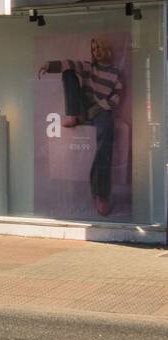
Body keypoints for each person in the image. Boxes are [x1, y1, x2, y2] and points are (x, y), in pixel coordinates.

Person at [37, 37, 122, 216]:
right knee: (68, 72)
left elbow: (116, 98)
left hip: (101, 110)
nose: (96, 51)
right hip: (82, 108)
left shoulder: (116, 74)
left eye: (99, 47)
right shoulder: (89, 67)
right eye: (93, 49)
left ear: (106, 49)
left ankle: (100, 194)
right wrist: (49, 65)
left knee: (106, 137)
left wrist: (98, 109)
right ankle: (74, 115)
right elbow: (69, 63)